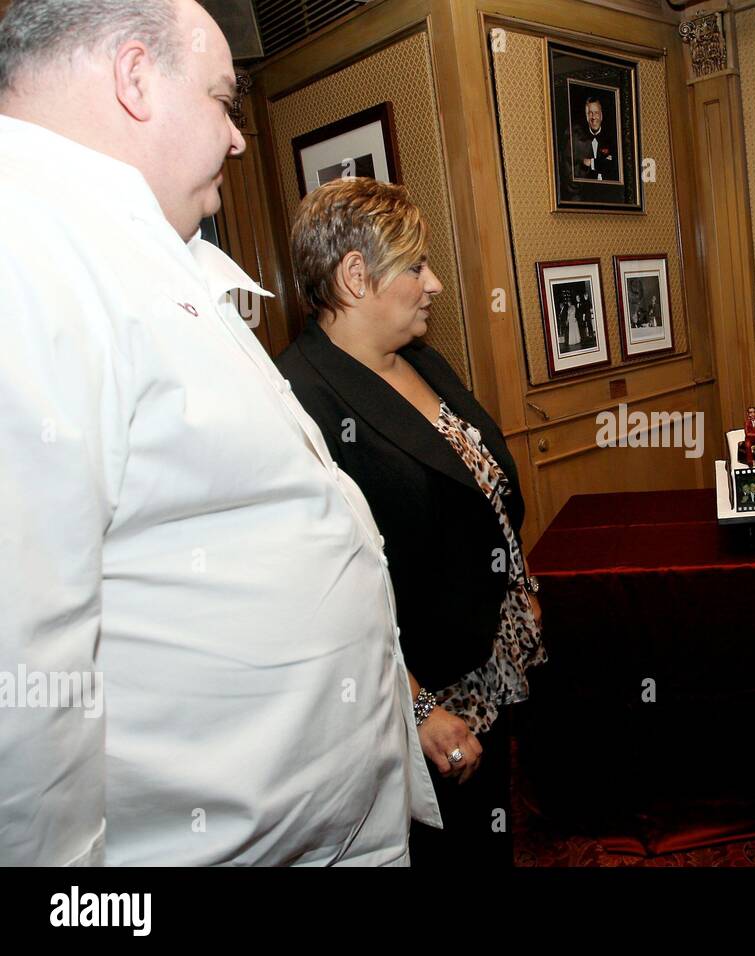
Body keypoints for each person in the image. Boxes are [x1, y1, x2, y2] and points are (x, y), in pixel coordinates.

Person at [0, 0, 436, 865]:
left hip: (321, 820)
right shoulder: (28, 250)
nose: (239, 138)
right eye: (223, 100)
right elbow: (23, 683)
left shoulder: (142, 244)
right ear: (134, 77)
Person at [274, 177, 547, 868]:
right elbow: (323, 594)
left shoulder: (420, 356)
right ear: (356, 276)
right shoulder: (297, 400)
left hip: (489, 658)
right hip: (421, 699)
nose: (435, 284)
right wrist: (418, 707)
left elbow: (477, 486)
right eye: (416, 266)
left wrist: (517, 583)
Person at [572, 94, 617, 181]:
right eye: (590, 113)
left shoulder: (612, 138)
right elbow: (577, 168)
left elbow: (613, 165)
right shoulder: (578, 140)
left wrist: (591, 162)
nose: (593, 117)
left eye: (596, 113)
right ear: (586, 116)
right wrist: (603, 162)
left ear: (601, 116)